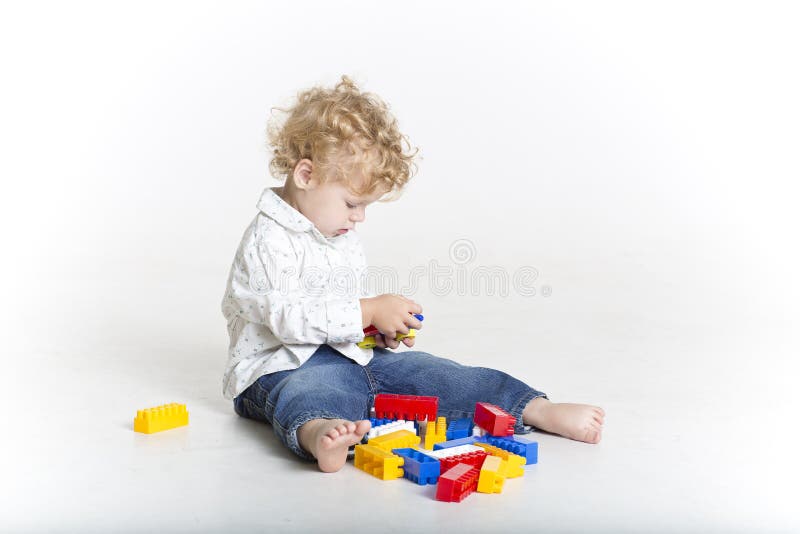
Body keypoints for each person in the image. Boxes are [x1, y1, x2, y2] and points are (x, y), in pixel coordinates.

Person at [221, 75, 605, 473]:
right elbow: (287, 320)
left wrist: (373, 331)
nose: (359, 217)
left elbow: (338, 307)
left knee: (434, 373)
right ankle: (319, 432)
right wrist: (367, 311)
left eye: (365, 206)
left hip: (353, 357)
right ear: (305, 176)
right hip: (280, 366)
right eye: (352, 203)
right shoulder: (268, 239)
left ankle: (534, 408)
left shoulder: (337, 231)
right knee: (308, 391)